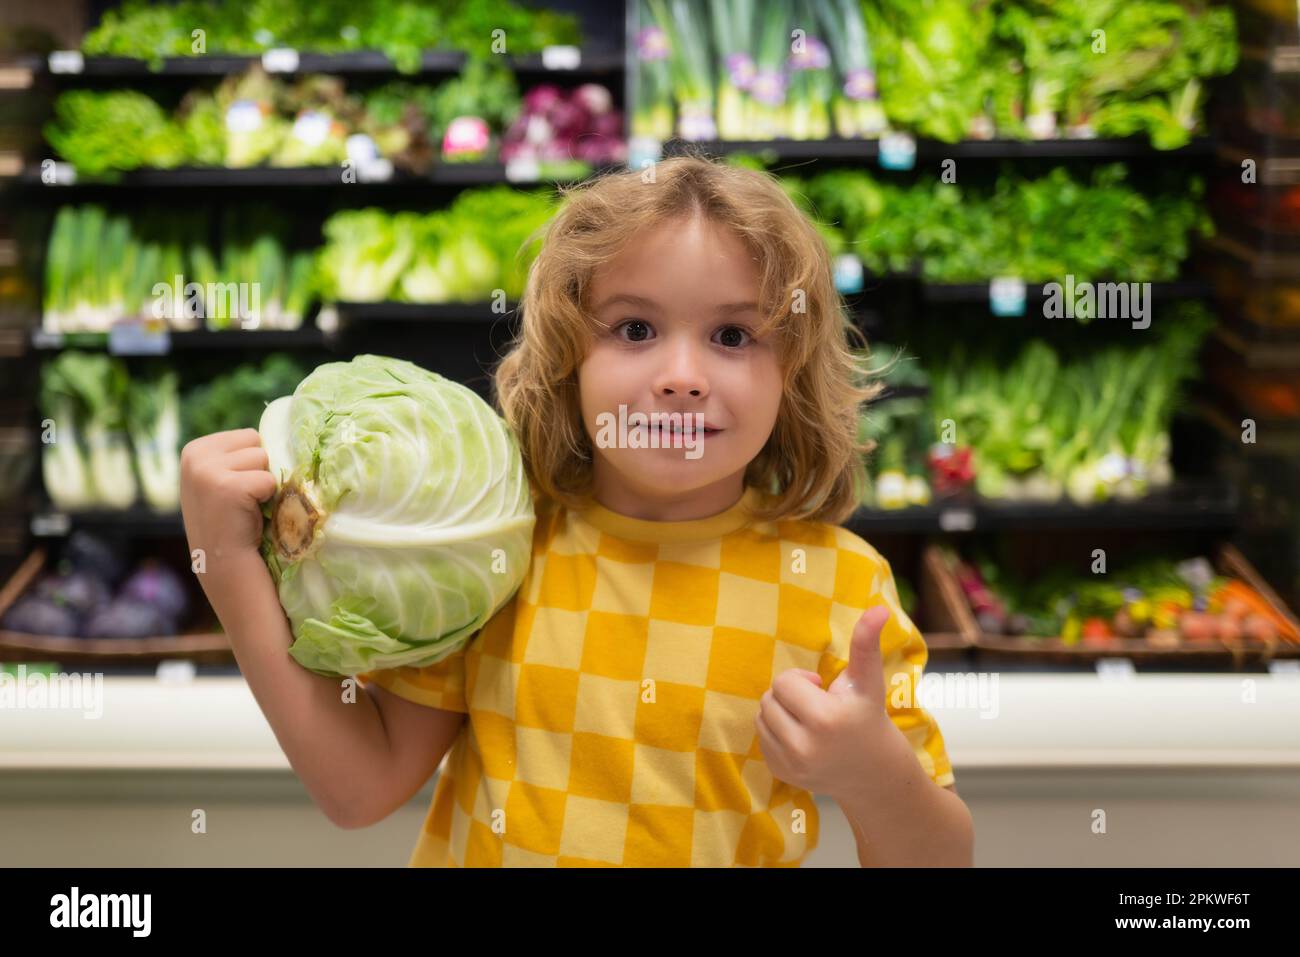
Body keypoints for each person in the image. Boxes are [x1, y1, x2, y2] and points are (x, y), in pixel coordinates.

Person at [180, 154, 973, 868]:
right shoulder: (491, 550)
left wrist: (875, 773)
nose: (683, 375)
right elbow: (359, 789)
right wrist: (229, 562)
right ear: (567, 359)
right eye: (635, 328)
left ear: (792, 373)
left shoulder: (838, 586)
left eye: (733, 334)